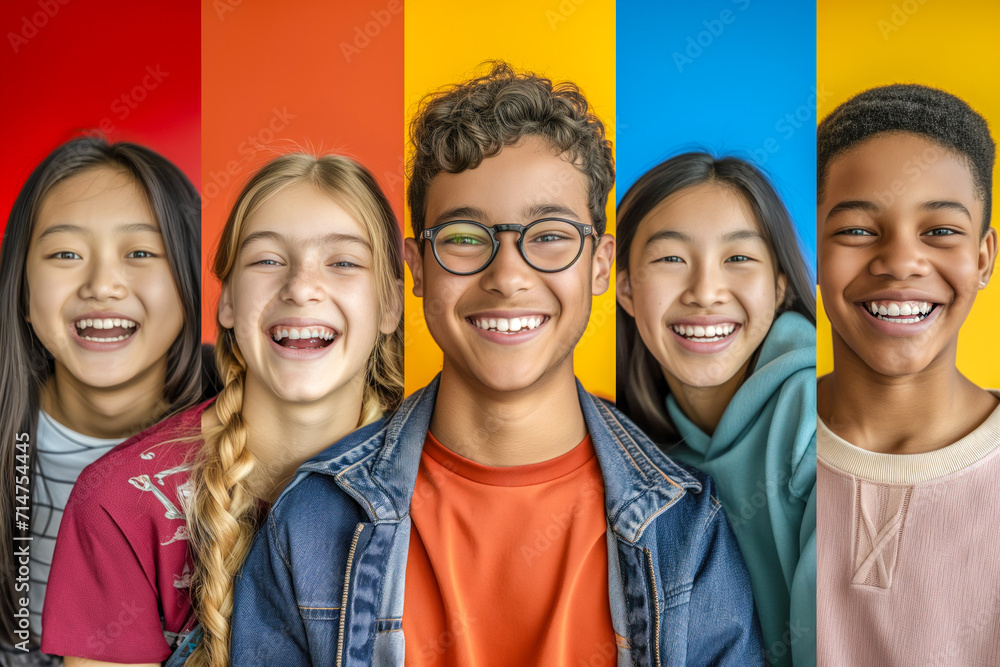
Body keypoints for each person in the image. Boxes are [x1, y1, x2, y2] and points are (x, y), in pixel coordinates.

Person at [231, 62, 762, 666]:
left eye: (550, 235)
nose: (508, 276)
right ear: (417, 267)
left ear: (598, 264)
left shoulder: (686, 527)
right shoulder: (314, 521)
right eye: (463, 237)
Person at [40, 153, 404, 667]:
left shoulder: (437, 482)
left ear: (389, 305)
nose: (300, 287)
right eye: (267, 260)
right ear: (228, 300)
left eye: (343, 262)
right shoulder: (120, 502)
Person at [815, 84, 1000, 665]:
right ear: (813, 251)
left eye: (940, 231)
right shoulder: (751, 453)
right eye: (856, 230)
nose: (899, 261)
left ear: (983, 258)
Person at [0, 136, 201, 665]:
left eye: (139, 252)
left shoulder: (250, 427)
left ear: (189, 282)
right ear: (21, 291)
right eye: (66, 254)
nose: (103, 285)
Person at [615, 153, 817, 665]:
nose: (705, 292)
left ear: (780, 285)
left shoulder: (816, 410)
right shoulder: (628, 448)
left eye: (738, 258)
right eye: (670, 259)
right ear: (624, 288)